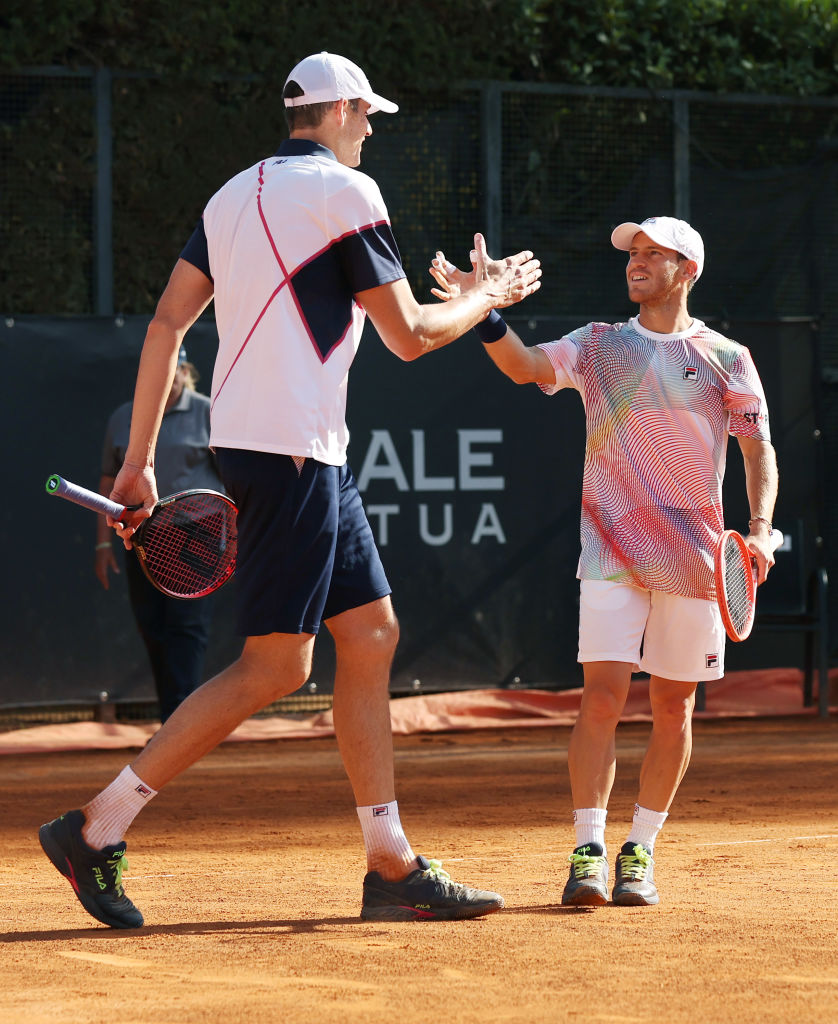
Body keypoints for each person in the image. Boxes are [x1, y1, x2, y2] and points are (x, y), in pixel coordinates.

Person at [39, 51, 541, 929]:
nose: (373, 128)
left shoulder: (230, 195)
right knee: (279, 663)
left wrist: (140, 459)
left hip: (282, 448)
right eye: (369, 114)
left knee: (372, 632)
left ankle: (390, 864)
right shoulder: (350, 194)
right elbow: (414, 336)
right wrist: (489, 295)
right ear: (342, 110)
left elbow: (166, 323)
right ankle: (95, 828)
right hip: (292, 452)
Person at [430, 216, 778, 907]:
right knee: (602, 700)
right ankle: (588, 848)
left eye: (654, 255)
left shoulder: (728, 358)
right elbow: (527, 366)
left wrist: (761, 530)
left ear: (689, 271)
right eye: (633, 253)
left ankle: (639, 852)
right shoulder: (597, 346)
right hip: (612, 552)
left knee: (674, 708)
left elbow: (757, 450)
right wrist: (487, 313)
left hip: (696, 562)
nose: (637, 263)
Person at [95, 345, 227, 722]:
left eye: (177, 368)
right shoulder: (123, 418)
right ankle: (175, 721)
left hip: (198, 535)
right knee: (153, 628)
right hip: (142, 536)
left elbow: (233, 475)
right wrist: (103, 542)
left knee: (186, 629)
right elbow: (108, 480)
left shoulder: (208, 411)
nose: (169, 377)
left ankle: (177, 726)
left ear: (186, 371)